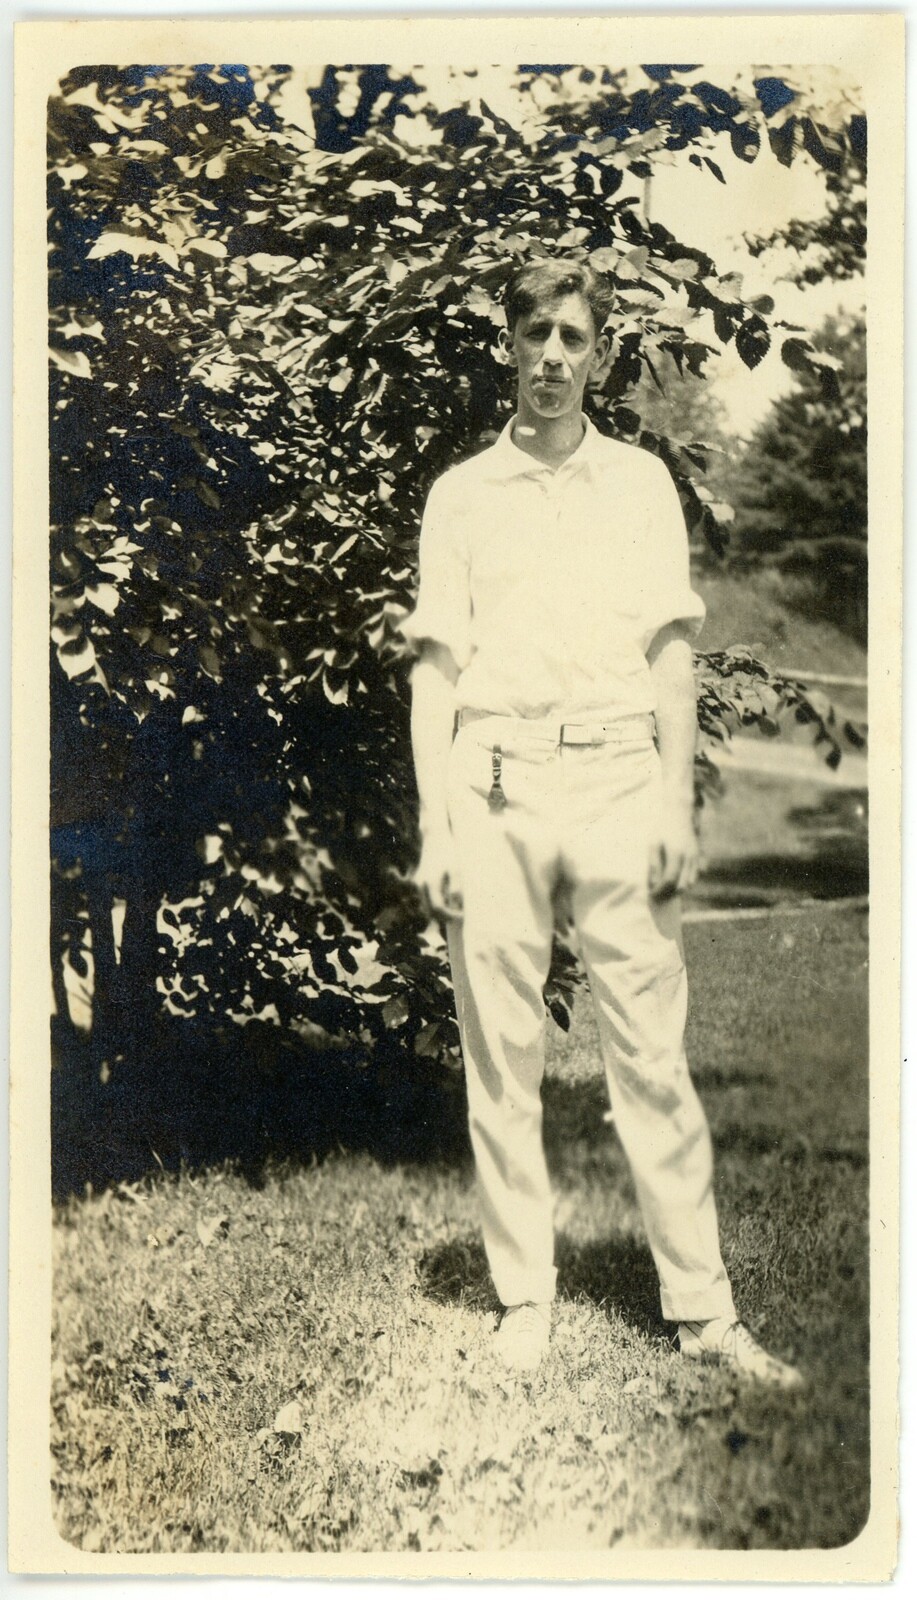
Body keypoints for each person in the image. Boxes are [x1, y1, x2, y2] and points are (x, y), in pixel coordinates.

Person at [401, 258, 802, 1386]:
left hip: (621, 779)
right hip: (493, 784)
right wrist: (435, 827)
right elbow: (436, 671)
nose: (551, 358)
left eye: (573, 339)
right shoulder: (461, 495)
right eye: (534, 335)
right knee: (502, 1056)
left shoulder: (639, 485)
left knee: (651, 1054)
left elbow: (670, 652)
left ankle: (704, 1313)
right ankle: (523, 1300)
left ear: (600, 355)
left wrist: (673, 803)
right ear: (507, 346)